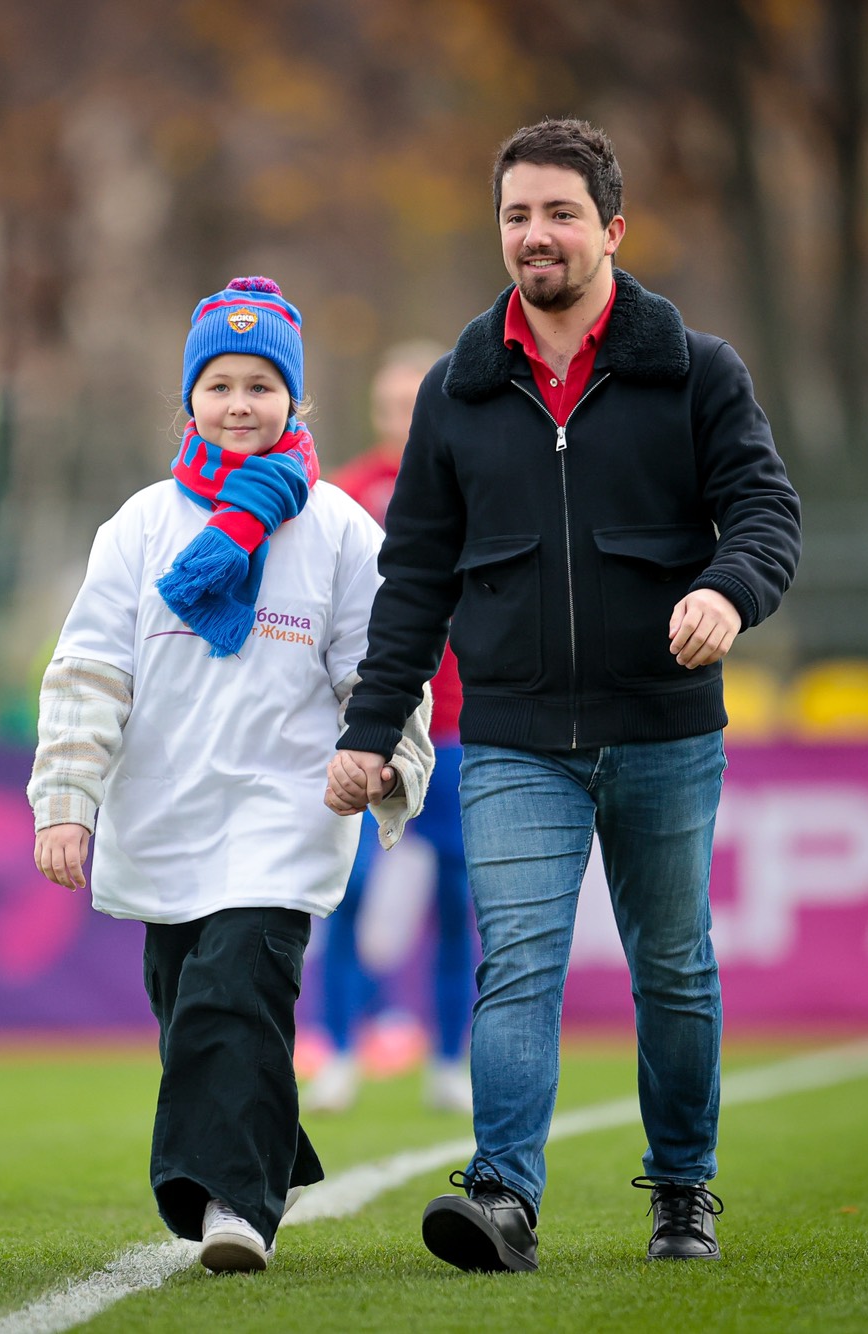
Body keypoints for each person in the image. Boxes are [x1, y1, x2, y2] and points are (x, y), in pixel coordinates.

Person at [328, 118, 801, 1271]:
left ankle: (682, 1189)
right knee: (518, 960)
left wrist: (727, 595)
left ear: (611, 229)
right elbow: (415, 577)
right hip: (509, 737)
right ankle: (501, 1195)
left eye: (558, 213)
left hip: (662, 728)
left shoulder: (696, 369)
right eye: (514, 215)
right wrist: (369, 729)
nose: (533, 235)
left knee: (672, 965)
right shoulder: (456, 389)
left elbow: (764, 514)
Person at [29, 276, 433, 1274]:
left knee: (233, 995)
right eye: (219, 384)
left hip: (281, 816)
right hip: (162, 816)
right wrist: (65, 803)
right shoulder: (137, 527)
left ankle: (231, 1208)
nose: (240, 403)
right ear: (188, 402)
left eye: (261, 384)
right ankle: (271, 1151)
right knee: (191, 1010)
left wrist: (377, 757)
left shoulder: (340, 529)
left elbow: (387, 665)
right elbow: (86, 674)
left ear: (297, 402)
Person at [307, 340, 475, 1116]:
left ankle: (450, 1058)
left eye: (415, 405)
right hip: (369, 730)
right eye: (390, 407)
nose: (402, 422)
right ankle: (340, 1047)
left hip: (461, 731)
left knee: (458, 898)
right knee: (346, 892)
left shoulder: (480, 483)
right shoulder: (343, 496)